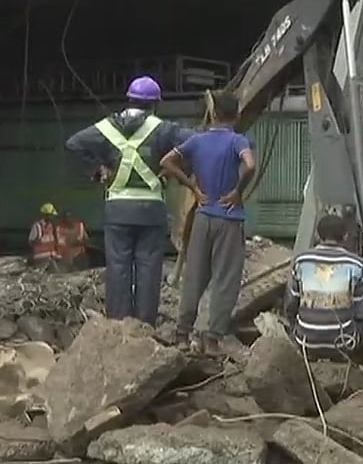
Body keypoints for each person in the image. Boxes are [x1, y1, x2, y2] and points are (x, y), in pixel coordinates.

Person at [66, 76, 192, 327]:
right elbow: (194, 142)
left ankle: (119, 324)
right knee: (148, 268)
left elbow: (73, 144)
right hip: (151, 211)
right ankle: (144, 326)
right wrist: (175, 167)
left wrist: (97, 170)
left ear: (129, 99)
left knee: (118, 267)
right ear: (155, 104)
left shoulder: (106, 128)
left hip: (118, 211)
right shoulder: (164, 129)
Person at [161, 92, 256, 356]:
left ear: (213, 115)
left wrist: (192, 186)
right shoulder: (238, 140)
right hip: (229, 218)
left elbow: (166, 161)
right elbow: (250, 165)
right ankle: (212, 339)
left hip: (203, 216)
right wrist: (238, 191)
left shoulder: (197, 141)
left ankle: (182, 334)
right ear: (236, 115)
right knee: (226, 279)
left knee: (195, 276)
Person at [284, 214, 363, 358]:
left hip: (305, 342)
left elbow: (292, 304)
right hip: (343, 344)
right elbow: (361, 312)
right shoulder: (357, 264)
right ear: (346, 236)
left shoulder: (301, 261)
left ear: (317, 235)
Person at [29, 203, 60, 268]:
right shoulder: (37, 226)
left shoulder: (51, 226)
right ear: (47, 215)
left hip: (51, 257)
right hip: (41, 259)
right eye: (52, 215)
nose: (53, 217)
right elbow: (31, 242)